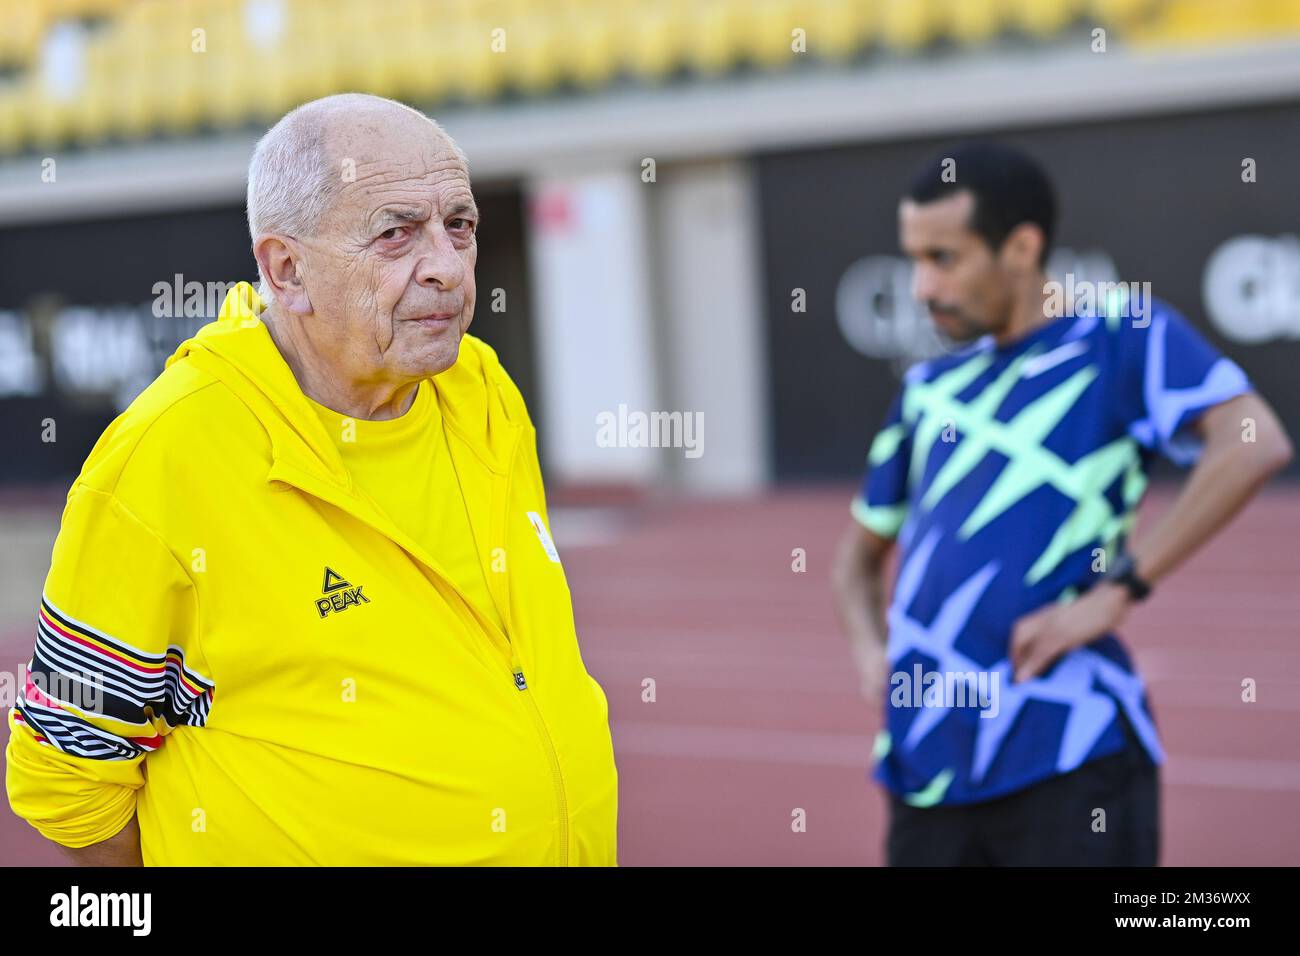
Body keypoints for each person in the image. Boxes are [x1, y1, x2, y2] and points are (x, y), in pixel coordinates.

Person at [5, 93, 618, 866]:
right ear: (286, 269)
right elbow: (67, 775)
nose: (446, 266)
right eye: (396, 234)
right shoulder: (169, 451)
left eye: (458, 225)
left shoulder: (480, 387)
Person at [831, 141, 1292, 866]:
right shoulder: (927, 392)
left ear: (1021, 246)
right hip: (925, 766)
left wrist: (1120, 590)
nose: (920, 286)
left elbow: (1253, 441)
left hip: (1069, 756)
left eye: (943, 258)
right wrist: (870, 652)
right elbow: (855, 562)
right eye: (913, 258)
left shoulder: (1119, 335)